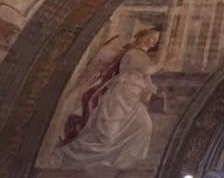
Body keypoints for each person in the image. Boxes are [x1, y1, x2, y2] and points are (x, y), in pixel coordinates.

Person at [55, 27, 162, 169]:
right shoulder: (133, 53)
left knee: (145, 126)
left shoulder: (143, 56)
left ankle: (121, 163)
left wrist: (148, 90)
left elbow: (146, 78)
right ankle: (70, 155)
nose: (152, 41)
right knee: (107, 134)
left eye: (155, 40)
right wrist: (164, 60)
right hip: (120, 94)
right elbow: (147, 69)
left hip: (135, 99)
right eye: (151, 37)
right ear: (141, 36)